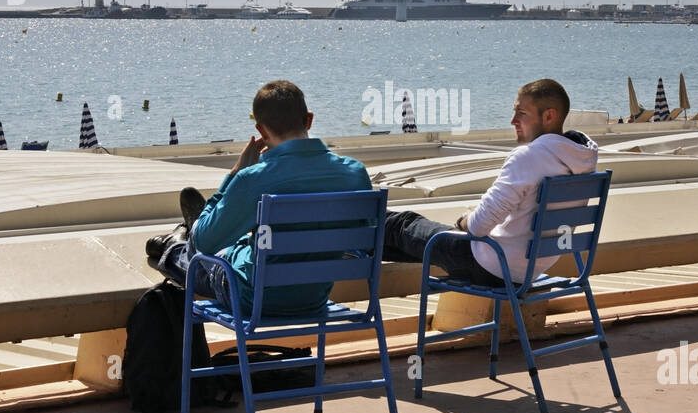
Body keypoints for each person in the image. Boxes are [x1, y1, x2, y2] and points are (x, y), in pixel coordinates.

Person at [147, 80, 372, 317]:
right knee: (243, 244)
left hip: (254, 302)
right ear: (309, 120)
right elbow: (364, 242)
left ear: (261, 131)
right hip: (315, 298)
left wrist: (234, 175)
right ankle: (190, 233)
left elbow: (204, 243)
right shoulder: (355, 173)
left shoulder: (253, 180)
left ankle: (174, 246)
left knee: (197, 254)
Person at [383, 78, 599, 286]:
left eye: (522, 113)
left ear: (549, 116)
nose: (513, 121)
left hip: (492, 265)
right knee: (396, 243)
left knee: (400, 224)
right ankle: (366, 249)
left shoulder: (528, 158)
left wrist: (463, 220)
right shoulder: (583, 162)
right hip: (529, 269)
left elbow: (478, 226)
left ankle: (362, 248)